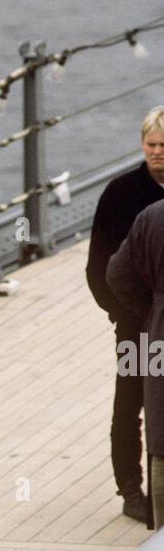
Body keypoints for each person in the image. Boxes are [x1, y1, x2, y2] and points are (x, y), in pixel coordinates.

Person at [86, 106, 164, 521]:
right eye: (151, 145)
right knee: (131, 402)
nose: (157, 153)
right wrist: (128, 314)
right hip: (136, 325)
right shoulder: (120, 194)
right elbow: (99, 267)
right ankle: (131, 490)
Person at [106, 198, 164, 530]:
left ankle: (158, 528)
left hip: (157, 333)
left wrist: (149, 311)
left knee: (158, 425)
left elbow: (117, 272)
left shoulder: (151, 216)